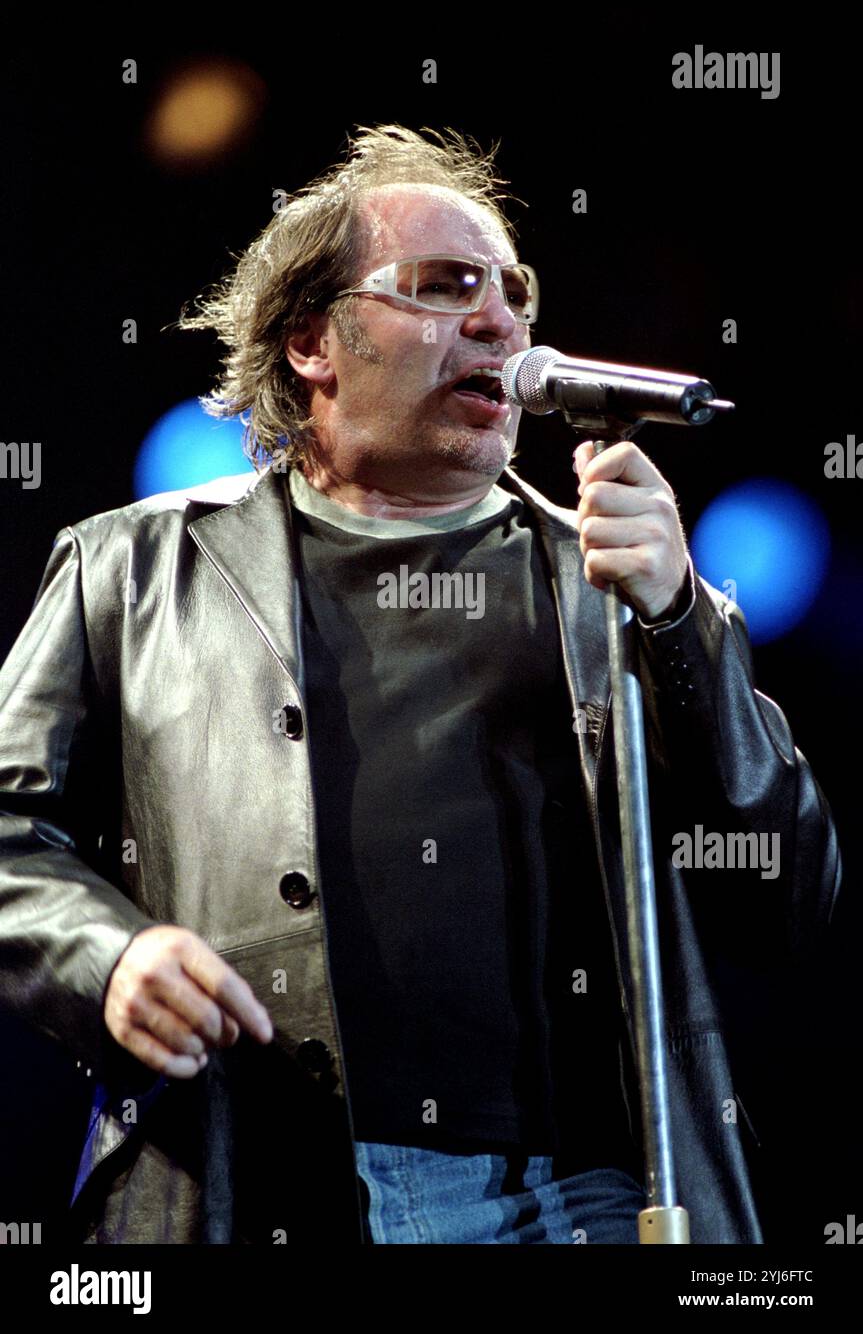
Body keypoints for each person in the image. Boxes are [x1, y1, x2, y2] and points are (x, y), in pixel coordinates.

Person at [0, 124, 841, 1245]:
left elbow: (787, 900)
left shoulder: (617, 584)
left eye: (512, 293)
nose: (499, 321)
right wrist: (107, 958)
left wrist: (682, 621)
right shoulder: (131, 569)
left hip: (584, 1202)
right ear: (313, 341)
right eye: (444, 287)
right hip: (264, 1187)